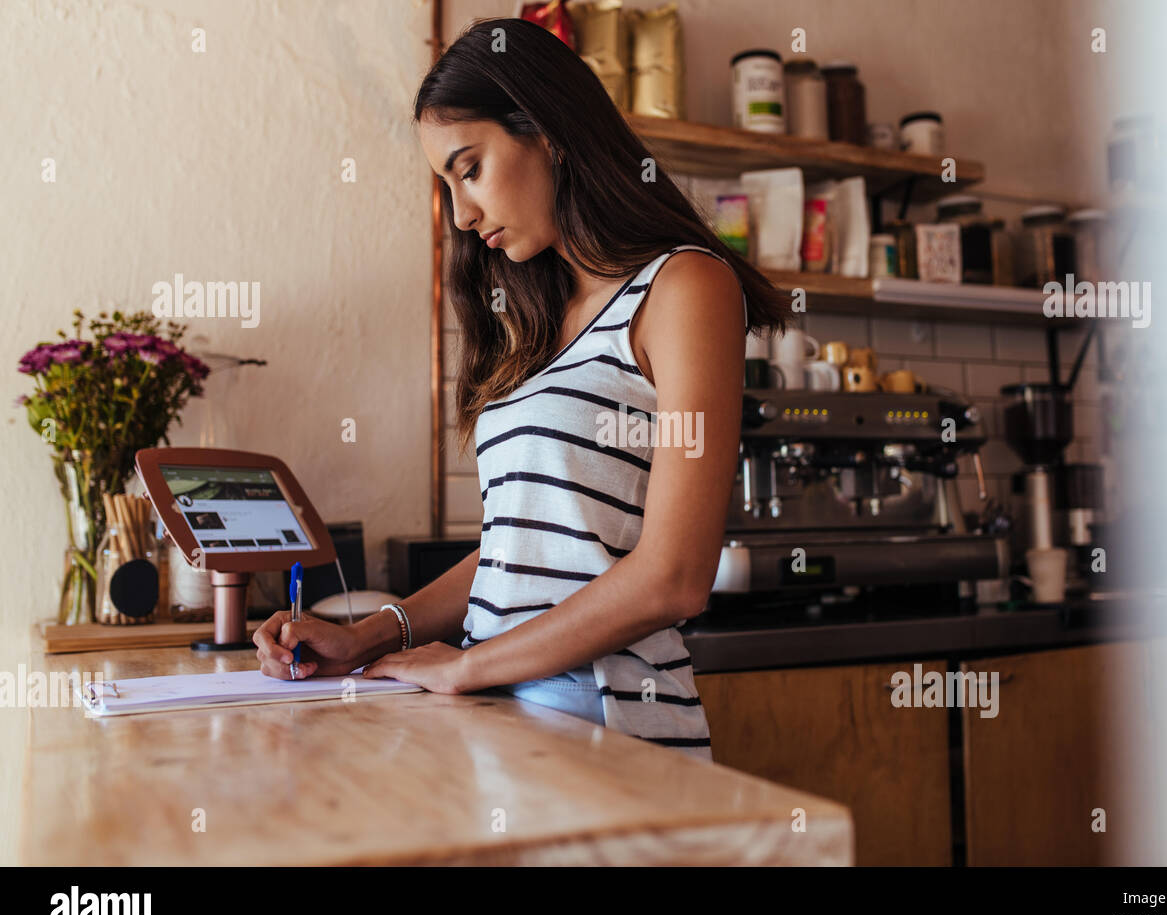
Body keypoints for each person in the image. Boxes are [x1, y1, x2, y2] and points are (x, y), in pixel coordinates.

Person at [252, 17, 788, 761]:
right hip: (501, 707)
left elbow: (675, 576)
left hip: (604, 715)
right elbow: (516, 550)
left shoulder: (686, 285)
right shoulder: (536, 323)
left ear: (547, 132)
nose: (463, 216)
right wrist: (364, 635)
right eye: (447, 186)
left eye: (470, 169)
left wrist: (466, 666)